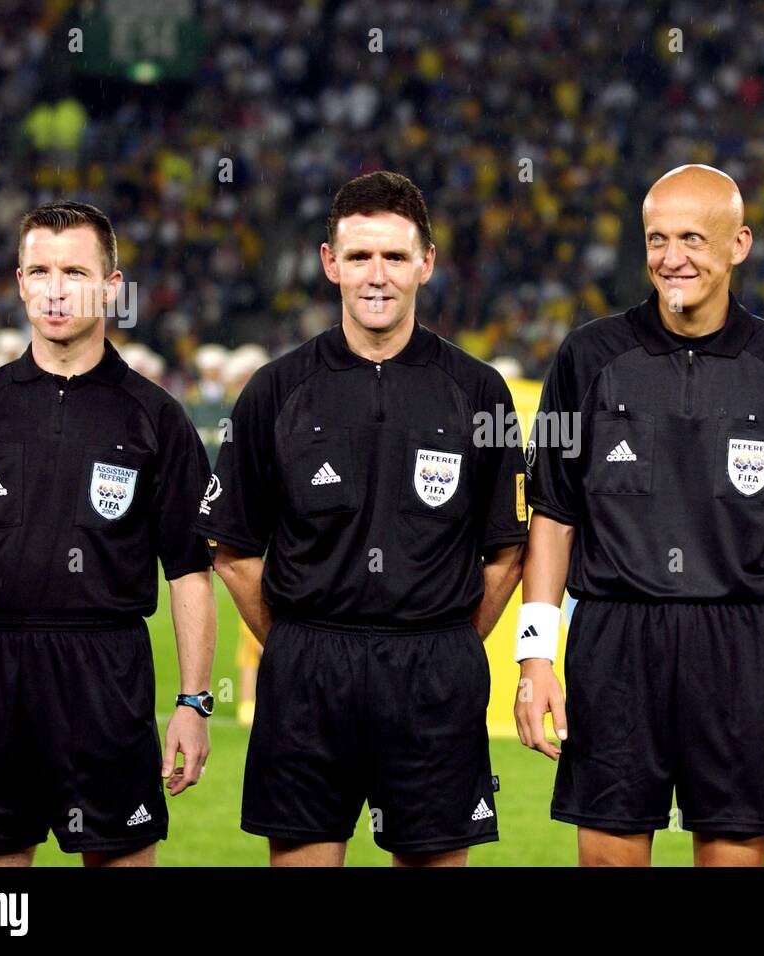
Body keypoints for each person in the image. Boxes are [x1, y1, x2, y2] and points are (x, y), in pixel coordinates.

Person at [516, 164, 764, 867]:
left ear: (740, 244)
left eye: (694, 238)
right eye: (657, 239)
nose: (673, 258)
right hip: (613, 636)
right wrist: (535, 655)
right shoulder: (588, 356)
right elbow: (550, 516)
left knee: (732, 857)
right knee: (609, 858)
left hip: (740, 641)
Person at [196, 171, 527, 867]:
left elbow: (508, 552)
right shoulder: (275, 390)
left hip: (436, 672)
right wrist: (292, 641)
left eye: (396, 257)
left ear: (427, 263)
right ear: (329, 263)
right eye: (359, 257)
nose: (377, 276)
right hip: (308, 676)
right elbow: (232, 546)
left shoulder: (479, 391)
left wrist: (449, 641)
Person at [0, 200, 216, 866]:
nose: (56, 289)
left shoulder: (157, 418)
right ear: (20, 283)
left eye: (75, 271)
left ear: (111, 288)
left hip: (108, 673)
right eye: (40, 270)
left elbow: (189, 571)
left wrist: (194, 701)